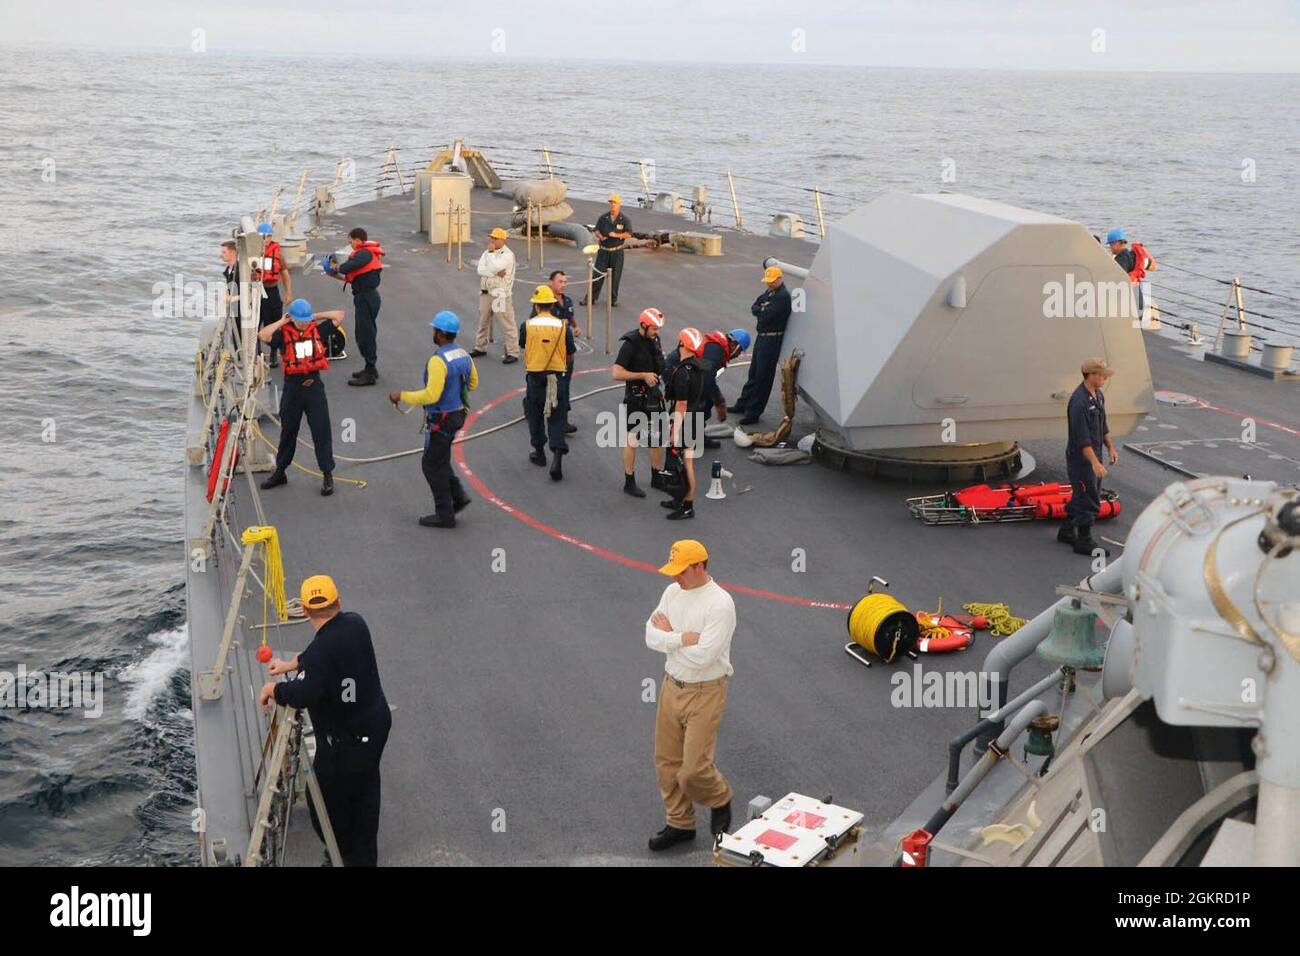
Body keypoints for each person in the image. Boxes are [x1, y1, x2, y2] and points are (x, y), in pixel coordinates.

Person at [259, 575, 391, 867]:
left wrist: (273, 688)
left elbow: (303, 693)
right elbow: (323, 650)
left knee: (326, 807)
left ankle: (345, 857)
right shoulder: (356, 624)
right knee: (366, 794)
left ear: (304, 611)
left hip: (346, 743)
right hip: (375, 725)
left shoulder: (321, 654)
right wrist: (292, 663)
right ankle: (362, 855)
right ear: (338, 603)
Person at [643, 539, 736, 850]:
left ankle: (720, 798)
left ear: (699, 567)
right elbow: (650, 635)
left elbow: (704, 658)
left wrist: (669, 638)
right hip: (672, 685)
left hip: (705, 691)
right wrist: (682, 637)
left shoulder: (720, 604)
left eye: (681, 571)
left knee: (694, 769)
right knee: (667, 762)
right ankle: (680, 823)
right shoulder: (672, 593)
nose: (675, 578)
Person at [389, 310, 478, 529]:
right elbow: (473, 383)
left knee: (430, 465)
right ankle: (458, 496)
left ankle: (445, 514)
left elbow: (431, 395)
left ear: (439, 333)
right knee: (440, 460)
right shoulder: (463, 354)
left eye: (434, 329)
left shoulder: (438, 361)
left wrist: (402, 395)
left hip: (442, 419)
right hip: (457, 415)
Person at [258, 298, 343, 496]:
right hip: (293, 389)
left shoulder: (317, 330)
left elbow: (339, 315)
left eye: (306, 320)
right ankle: (280, 471)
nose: (304, 324)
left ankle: (327, 473)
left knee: (321, 430)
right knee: (288, 431)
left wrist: (315, 316)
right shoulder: (283, 334)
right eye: (300, 320)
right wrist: (282, 321)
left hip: (314, 387)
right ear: (293, 319)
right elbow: (263, 335)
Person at [1061, 357, 1119, 557]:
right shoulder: (1079, 402)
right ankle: (1083, 541)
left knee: (1083, 495)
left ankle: (1067, 530)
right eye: (1102, 375)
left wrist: (1110, 447)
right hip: (1081, 459)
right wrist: (1094, 463)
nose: (1105, 378)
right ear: (1091, 375)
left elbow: (1103, 425)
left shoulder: (1098, 396)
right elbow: (1081, 439)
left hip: (1094, 454)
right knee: (1089, 498)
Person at [520, 285, 574, 480]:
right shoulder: (563, 326)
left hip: (535, 378)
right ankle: (557, 456)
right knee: (557, 418)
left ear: (536, 306)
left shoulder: (527, 325)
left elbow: (522, 345)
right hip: (556, 378)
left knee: (534, 415)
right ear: (552, 305)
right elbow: (570, 352)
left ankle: (539, 453)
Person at [613, 308, 667, 498]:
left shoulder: (655, 340)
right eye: (654, 328)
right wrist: (642, 376)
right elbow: (616, 373)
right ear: (643, 325)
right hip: (636, 397)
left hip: (653, 395)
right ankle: (629, 481)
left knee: (658, 438)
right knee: (632, 440)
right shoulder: (630, 344)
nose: (656, 332)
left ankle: (656, 476)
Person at [666, 329, 751, 449]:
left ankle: (693, 433)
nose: (738, 355)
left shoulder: (717, 348)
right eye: (740, 351)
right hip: (675, 369)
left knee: (703, 400)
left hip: (684, 368)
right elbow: (707, 378)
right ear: (735, 345)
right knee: (695, 402)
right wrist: (719, 401)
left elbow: (705, 375)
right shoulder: (716, 352)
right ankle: (682, 434)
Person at [734, 265, 793, 425]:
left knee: (763, 377)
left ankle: (753, 413)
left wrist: (761, 309)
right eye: (768, 282)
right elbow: (755, 307)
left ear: (779, 279)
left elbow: (766, 316)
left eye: (772, 282)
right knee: (753, 373)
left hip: (772, 340)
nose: (769, 284)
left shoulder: (782, 297)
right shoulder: (770, 293)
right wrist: (761, 309)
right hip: (762, 338)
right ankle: (743, 404)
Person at [328, 227, 385, 386]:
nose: (350, 245)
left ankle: (370, 371)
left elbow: (346, 268)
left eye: (351, 241)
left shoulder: (364, 253)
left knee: (365, 333)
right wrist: (334, 274)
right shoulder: (366, 254)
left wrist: (336, 266)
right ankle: (370, 368)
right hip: (365, 296)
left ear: (358, 240)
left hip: (367, 297)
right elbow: (353, 277)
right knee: (365, 331)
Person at [661, 327, 708, 520]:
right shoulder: (699, 366)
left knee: (686, 463)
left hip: (685, 419)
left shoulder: (682, 372)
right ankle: (681, 500)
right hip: (696, 417)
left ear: (683, 345)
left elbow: (681, 403)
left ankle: (688, 505)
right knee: (685, 462)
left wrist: (675, 431)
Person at [531, 270, 579, 434]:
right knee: (541, 385)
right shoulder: (544, 302)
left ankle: (563, 419)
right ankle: (529, 405)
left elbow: (570, 317)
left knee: (564, 387)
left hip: (564, 351)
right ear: (551, 282)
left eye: (565, 282)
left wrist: (575, 326)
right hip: (547, 353)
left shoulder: (567, 301)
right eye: (560, 281)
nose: (563, 284)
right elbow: (533, 324)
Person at [471, 227, 519, 364]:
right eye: (491, 238)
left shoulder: (508, 255)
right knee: (483, 321)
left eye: (495, 238)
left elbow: (497, 266)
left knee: (506, 323)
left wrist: (492, 257)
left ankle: (512, 351)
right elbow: (480, 270)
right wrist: (494, 272)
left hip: (500, 293)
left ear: (502, 240)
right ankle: (480, 347)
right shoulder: (487, 252)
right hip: (486, 291)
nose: (492, 240)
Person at [580, 193, 632, 308]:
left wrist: (617, 235)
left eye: (614, 203)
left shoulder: (624, 220)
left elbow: (628, 234)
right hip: (603, 251)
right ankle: (590, 298)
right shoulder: (603, 218)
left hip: (617, 252)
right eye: (611, 203)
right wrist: (600, 236)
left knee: (615, 276)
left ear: (619, 204)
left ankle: (613, 299)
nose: (612, 205)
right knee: (597, 274)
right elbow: (597, 230)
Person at [254, 223, 292, 368]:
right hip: (256, 291)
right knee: (255, 323)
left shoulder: (277, 254)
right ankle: (256, 354)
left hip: (272, 291)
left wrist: (288, 292)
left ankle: (274, 353)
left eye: (268, 236)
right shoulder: (252, 253)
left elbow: (285, 273)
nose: (266, 239)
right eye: (263, 236)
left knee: (275, 323)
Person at [1106, 228, 1157, 323]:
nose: (1110, 247)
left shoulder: (1121, 260)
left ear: (1116, 243)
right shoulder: (1134, 256)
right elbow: (1154, 266)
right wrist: (1143, 249)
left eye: (1110, 244)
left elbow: (1118, 280)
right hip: (1139, 301)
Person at [220, 239, 243, 352]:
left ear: (233, 253)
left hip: (242, 310)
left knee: (241, 336)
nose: (221, 255)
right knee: (234, 335)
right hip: (234, 309)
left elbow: (249, 292)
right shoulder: (228, 270)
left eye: (224, 252)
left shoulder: (240, 271)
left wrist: (233, 298)